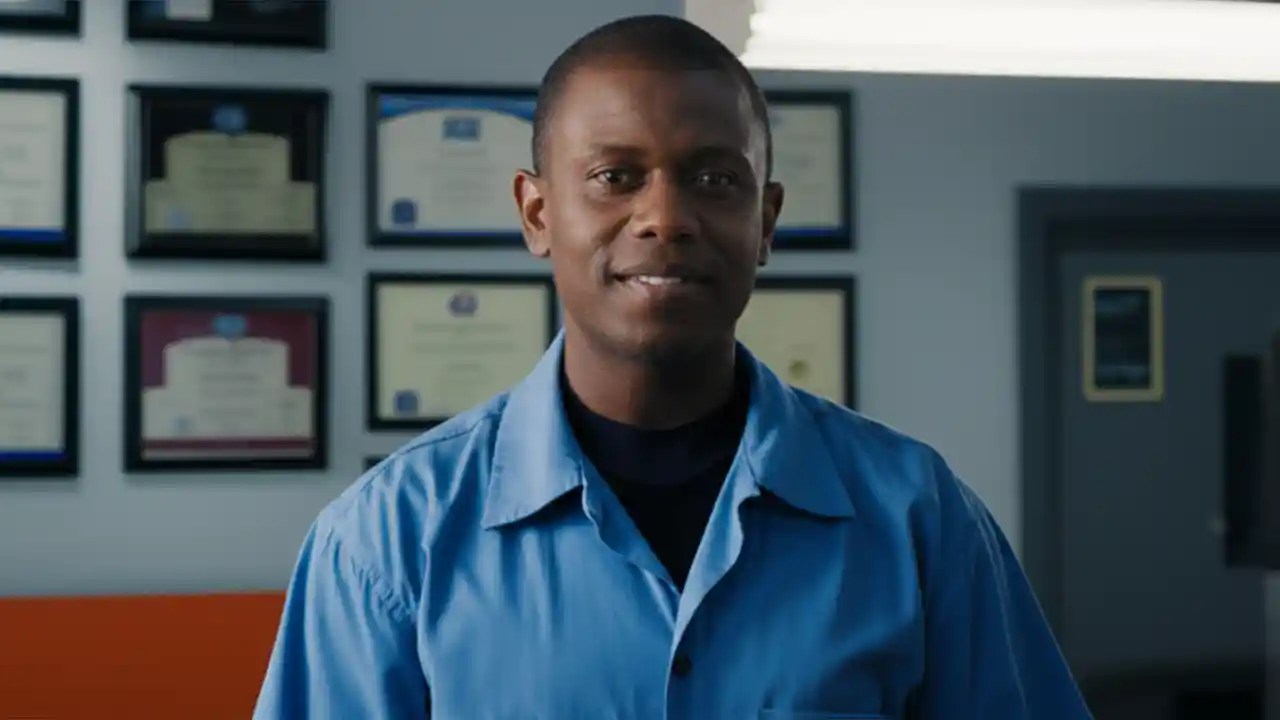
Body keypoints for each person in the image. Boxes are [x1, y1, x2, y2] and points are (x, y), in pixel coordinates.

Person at [254, 13, 1094, 719]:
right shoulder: (389, 540)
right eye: (615, 177)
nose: (665, 216)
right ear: (538, 212)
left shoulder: (916, 515)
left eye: (714, 178)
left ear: (765, 221)